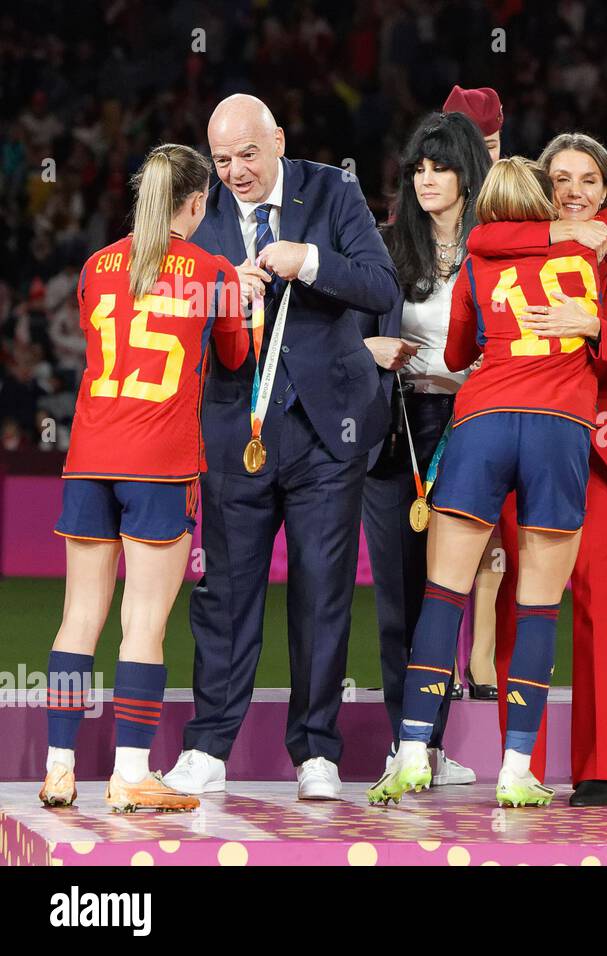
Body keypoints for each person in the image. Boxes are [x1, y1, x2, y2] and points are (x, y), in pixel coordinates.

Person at [163, 94, 400, 801]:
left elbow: (380, 285)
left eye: (248, 155)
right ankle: (208, 747)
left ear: (280, 142)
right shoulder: (199, 214)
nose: (235, 171)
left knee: (323, 594)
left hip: (330, 433)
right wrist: (215, 296)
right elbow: (167, 308)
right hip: (238, 430)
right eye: (223, 158)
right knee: (226, 593)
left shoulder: (333, 189)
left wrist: (310, 260)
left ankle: (317, 752)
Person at [366, 158, 607, 808]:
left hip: (484, 421)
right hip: (560, 426)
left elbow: (452, 357)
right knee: (536, 604)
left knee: (443, 595)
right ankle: (517, 767)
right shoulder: (585, 258)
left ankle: (414, 750)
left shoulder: (476, 260)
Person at [42, 143, 247, 811]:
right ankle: (131, 773)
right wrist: (238, 292)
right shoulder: (211, 269)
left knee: (78, 618)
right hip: (159, 464)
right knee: (144, 622)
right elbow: (234, 355)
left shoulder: (97, 265)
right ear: (196, 202)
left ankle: (58, 769)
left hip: (89, 457)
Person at [484, 133, 607, 806]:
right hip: (520, 435)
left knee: (596, 592)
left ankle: (603, 764)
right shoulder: (511, 241)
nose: (576, 191)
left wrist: (590, 324)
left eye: (590, 179)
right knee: (518, 595)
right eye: (561, 178)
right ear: (542, 188)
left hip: (593, 440)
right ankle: (516, 761)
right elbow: (481, 242)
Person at [359, 111, 491, 787]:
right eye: (419, 168)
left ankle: (433, 742)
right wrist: (371, 353)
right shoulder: (385, 249)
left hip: (474, 428)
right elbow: (345, 337)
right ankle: (404, 744)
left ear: (470, 173)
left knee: (449, 594)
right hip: (398, 432)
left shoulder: (497, 249)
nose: (428, 179)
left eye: (441, 166)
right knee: (399, 601)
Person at [442, 83, 508, 700]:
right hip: (429, 399)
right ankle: (435, 666)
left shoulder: (517, 213)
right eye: (472, 145)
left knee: (492, 540)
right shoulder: (416, 213)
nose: (484, 159)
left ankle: (482, 660)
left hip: (496, 393)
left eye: (491, 143)